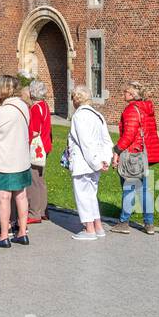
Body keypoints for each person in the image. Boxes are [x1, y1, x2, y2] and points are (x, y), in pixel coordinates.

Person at [0, 75, 32, 249]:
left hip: (5, 160)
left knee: (4, 197)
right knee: (21, 195)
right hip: (22, 159)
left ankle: (4, 235)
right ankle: (22, 232)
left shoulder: (2, 111)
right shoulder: (23, 106)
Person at [110, 81, 159, 235]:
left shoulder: (131, 110)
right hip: (142, 154)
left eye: (126, 92)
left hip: (131, 154)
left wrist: (117, 151)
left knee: (129, 189)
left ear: (133, 95)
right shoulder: (146, 108)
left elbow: (129, 135)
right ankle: (149, 224)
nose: (124, 94)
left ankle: (123, 222)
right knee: (144, 190)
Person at [66, 87, 113, 240]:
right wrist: (105, 159)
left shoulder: (79, 116)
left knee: (83, 196)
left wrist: (97, 163)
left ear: (76, 100)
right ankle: (98, 226)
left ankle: (89, 229)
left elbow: (86, 143)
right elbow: (106, 141)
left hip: (84, 162)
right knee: (91, 195)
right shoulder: (97, 115)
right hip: (96, 160)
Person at [25, 80, 53, 224]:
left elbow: (34, 131)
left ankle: (34, 212)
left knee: (34, 180)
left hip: (37, 148)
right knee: (41, 180)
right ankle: (43, 210)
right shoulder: (45, 105)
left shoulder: (35, 108)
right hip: (45, 146)